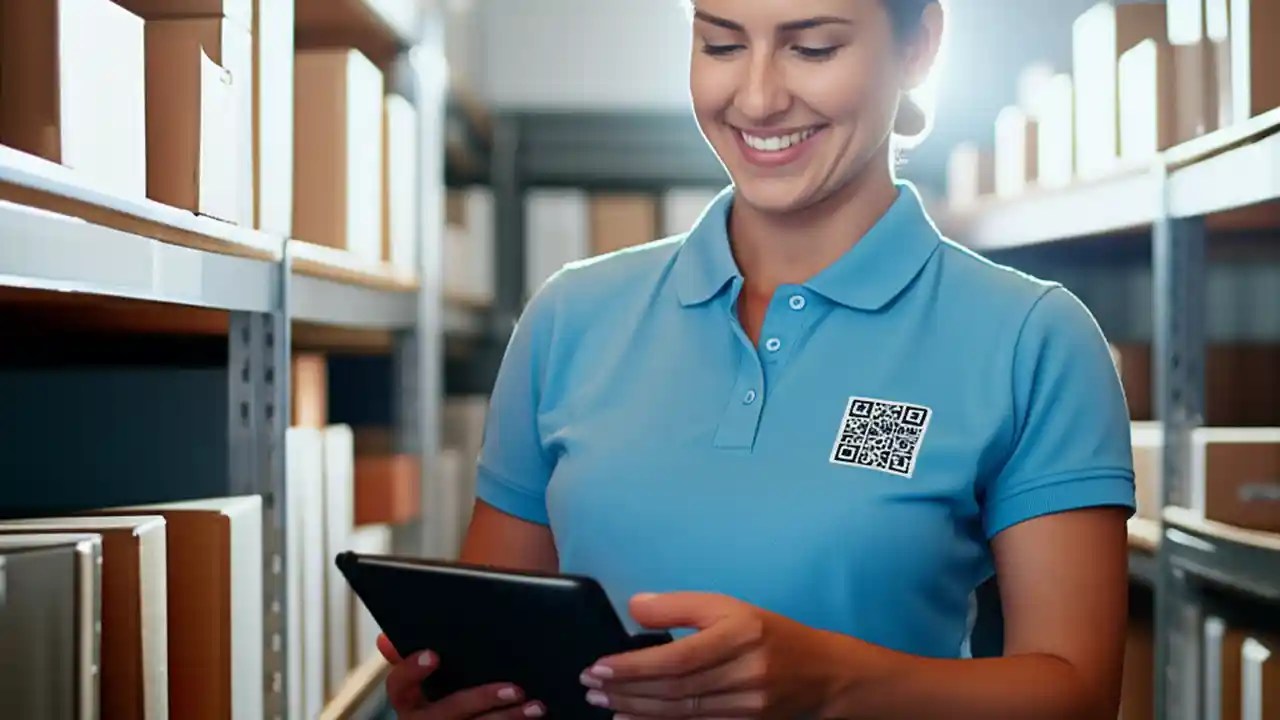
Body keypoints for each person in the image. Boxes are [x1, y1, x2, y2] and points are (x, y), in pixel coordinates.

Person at [381, 0, 1136, 717]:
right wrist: (458, 694)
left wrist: (831, 685)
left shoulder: (1031, 338)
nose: (758, 97)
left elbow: (1078, 694)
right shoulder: (568, 319)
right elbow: (495, 636)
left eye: (813, 48)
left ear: (918, 46)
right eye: (721, 44)